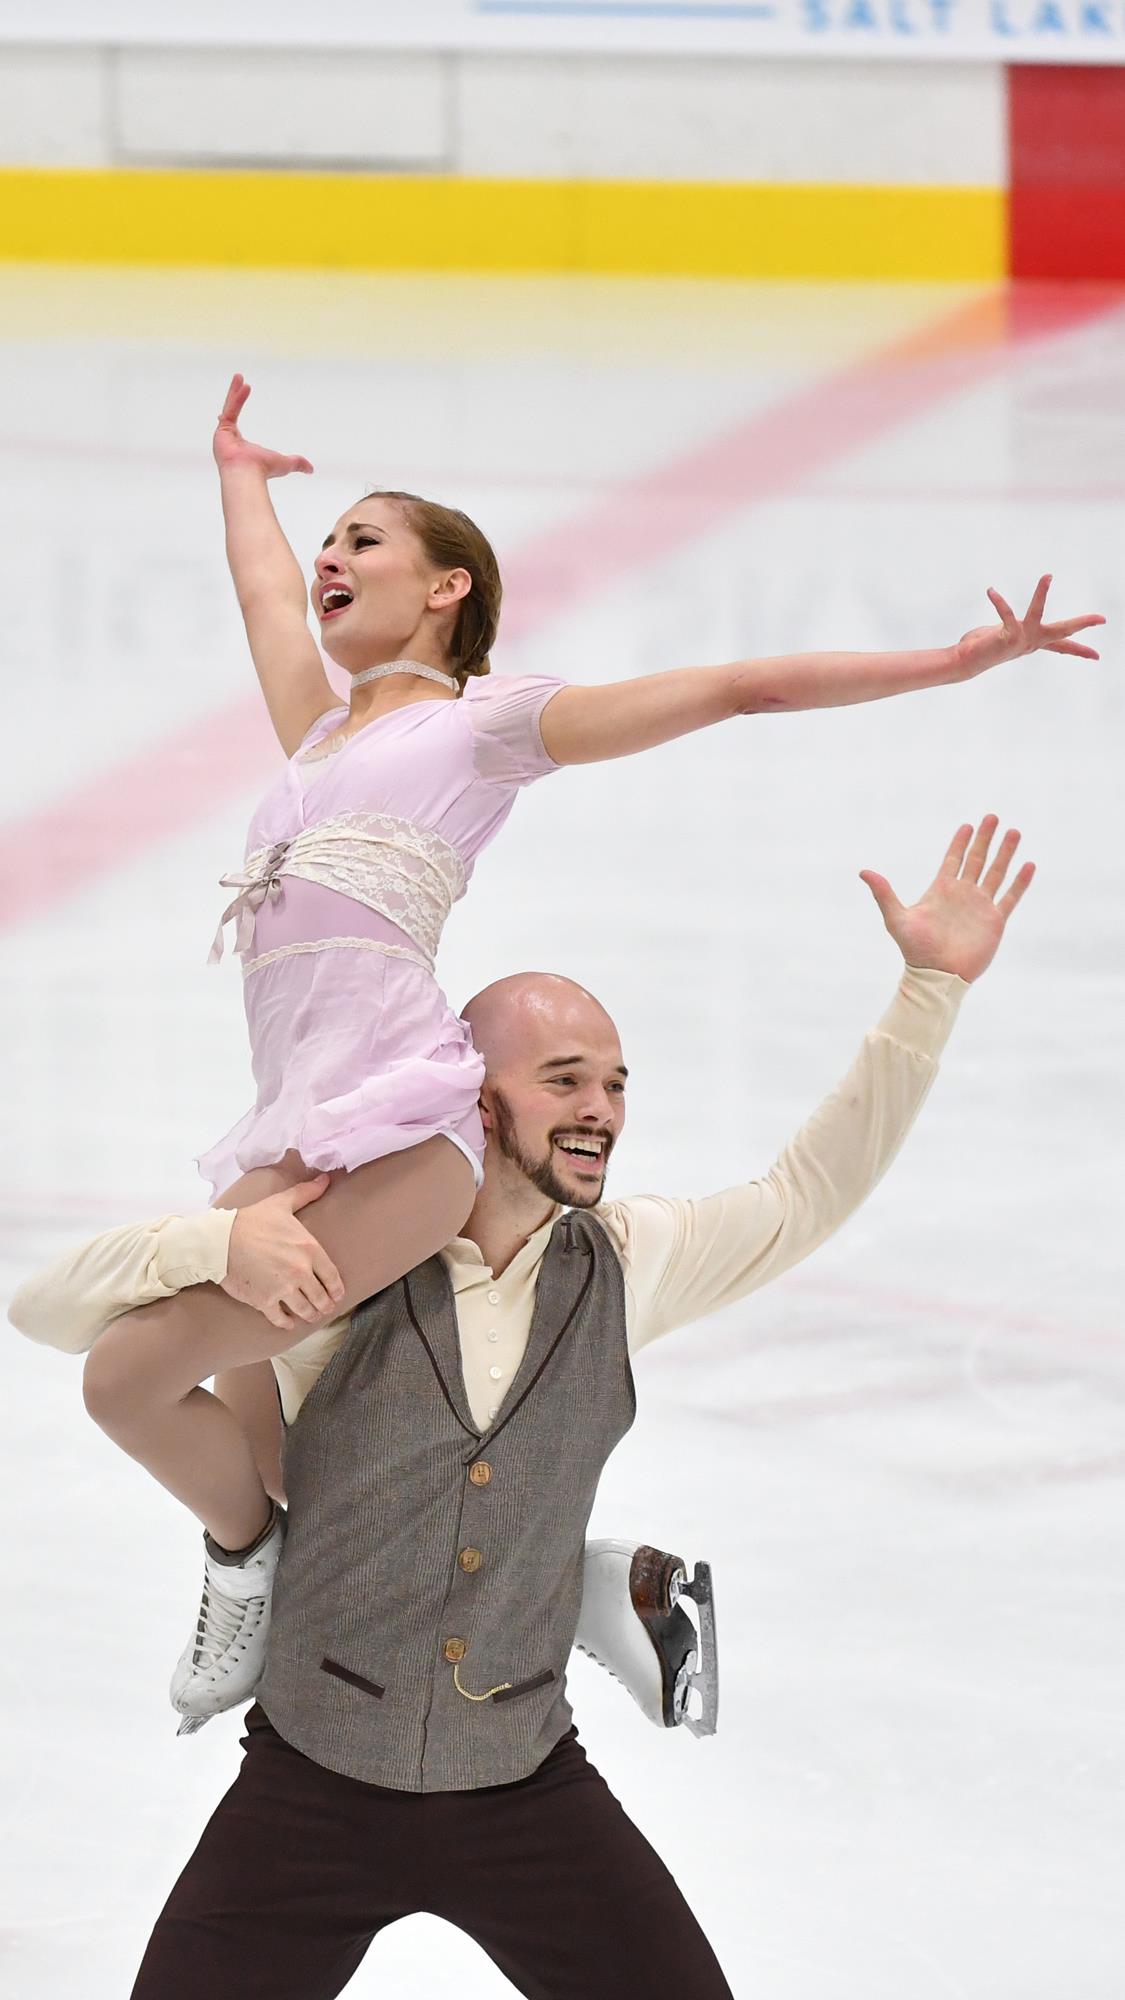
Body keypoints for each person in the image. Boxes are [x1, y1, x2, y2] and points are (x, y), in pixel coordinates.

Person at [64, 372, 1103, 1727]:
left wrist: (948, 664)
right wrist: (242, 480)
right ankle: (586, 1586)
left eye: (363, 541)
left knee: (139, 1380)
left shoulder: (480, 731)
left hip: (396, 1124)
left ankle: (245, 1563)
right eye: (333, 543)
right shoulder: (317, 734)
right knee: (286, 1463)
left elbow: (735, 687)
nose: (331, 560)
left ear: (445, 589)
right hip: (294, 1122)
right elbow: (266, 598)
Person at [11, 813, 1032, 1996]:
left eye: (614, 1081)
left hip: (523, 1785)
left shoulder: (626, 1260)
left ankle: (564, 1575)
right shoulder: (334, 1265)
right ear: (472, 1096)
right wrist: (213, 1239)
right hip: (309, 1789)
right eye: (564, 1079)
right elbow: (64, 1319)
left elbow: (806, 1192)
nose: (602, 1104)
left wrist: (929, 988)